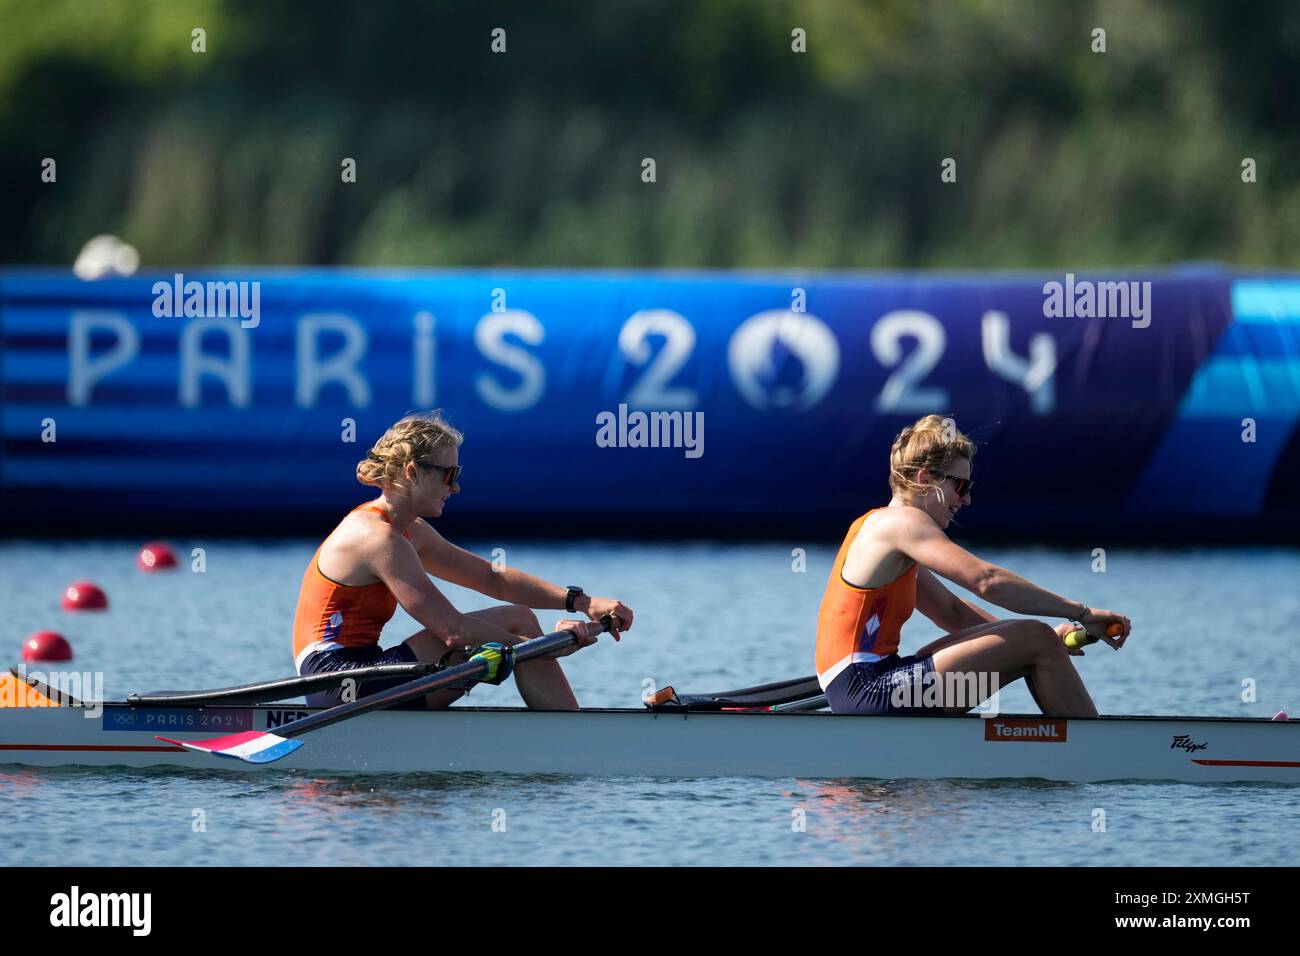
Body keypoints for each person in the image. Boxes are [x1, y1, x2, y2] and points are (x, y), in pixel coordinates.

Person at [291, 411, 633, 710]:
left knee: (517, 618)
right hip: (334, 682)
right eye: (449, 475)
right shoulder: (377, 537)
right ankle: (575, 743)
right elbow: (453, 631)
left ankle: (571, 738)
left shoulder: (410, 530)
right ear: (412, 472)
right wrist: (544, 649)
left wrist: (581, 602)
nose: (455, 488)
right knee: (509, 629)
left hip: (367, 668)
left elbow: (491, 578)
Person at [815, 414, 1130, 718]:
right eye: (961, 487)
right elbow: (986, 580)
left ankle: (1073, 743)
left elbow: (951, 612)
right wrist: (1082, 613)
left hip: (867, 685)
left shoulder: (880, 528)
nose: (966, 501)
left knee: (1037, 638)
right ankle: (1095, 755)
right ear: (925, 480)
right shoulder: (902, 523)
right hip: (868, 688)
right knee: (1034, 637)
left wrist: (1048, 640)